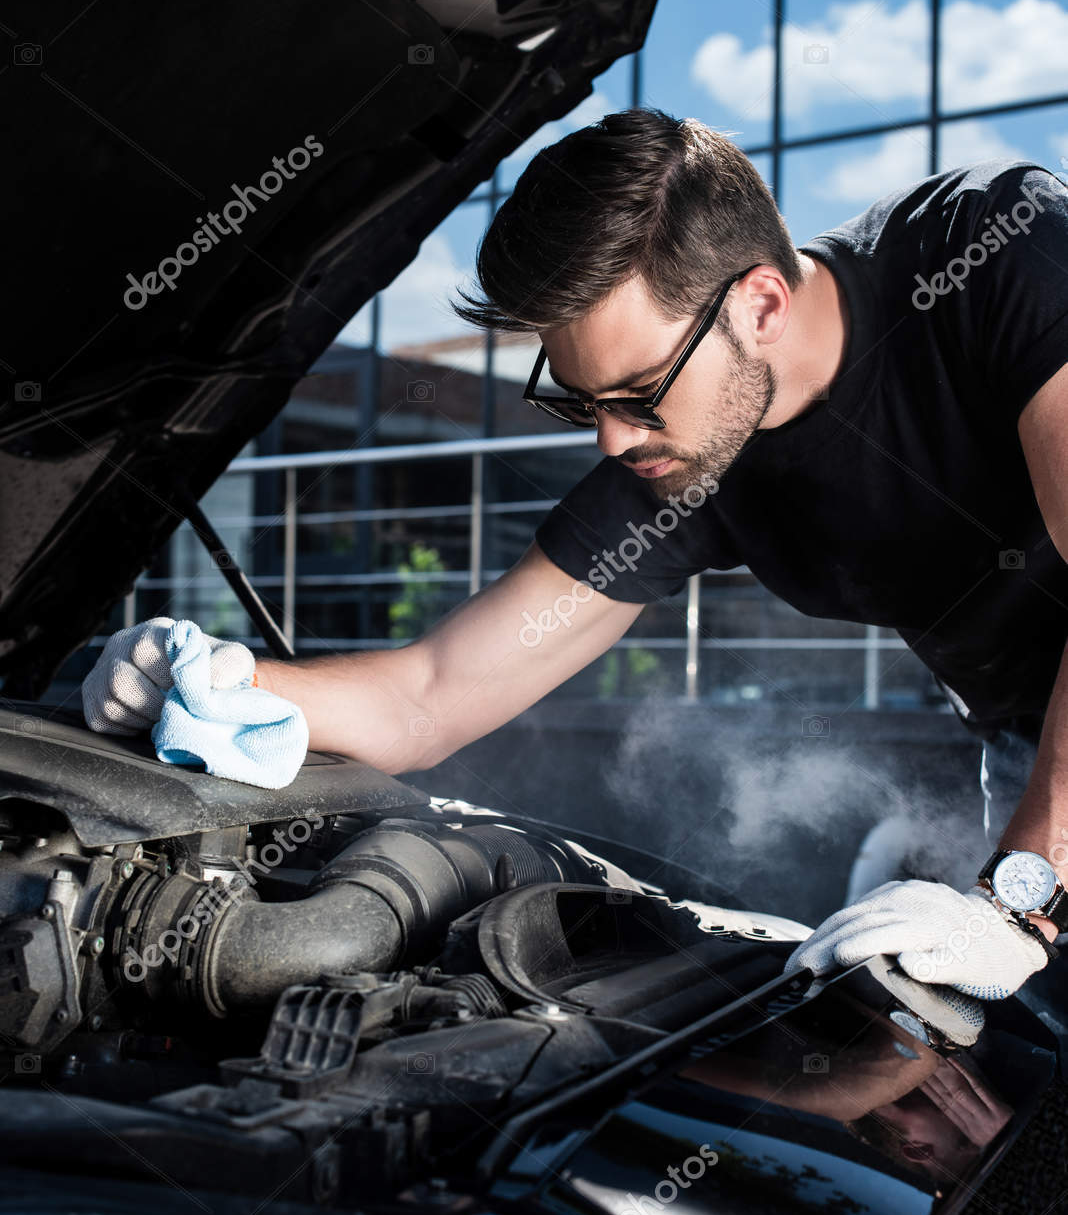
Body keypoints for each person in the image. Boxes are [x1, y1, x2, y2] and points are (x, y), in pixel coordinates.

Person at [82, 109, 1068, 1013]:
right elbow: (431, 694)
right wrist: (218, 679)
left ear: (761, 304)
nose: (609, 440)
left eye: (638, 392)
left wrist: (1019, 890)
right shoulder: (685, 455)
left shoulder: (994, 252)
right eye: (580, 400)